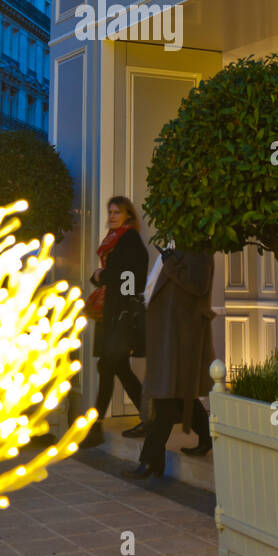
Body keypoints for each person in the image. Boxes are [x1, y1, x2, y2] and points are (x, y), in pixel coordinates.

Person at [129, 246, 215, 479]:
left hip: (182, 334)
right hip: (169, 333)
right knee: (177, 395)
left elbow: (198, 285)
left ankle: (150, 460)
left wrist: (171, 264)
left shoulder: (198, 249)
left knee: (167, 400)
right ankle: (205, 438)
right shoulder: (176, 248)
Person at [79, 196, 148, 449]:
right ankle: (149, 418)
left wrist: (104, 276)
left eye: (116, 212)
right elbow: (105, 275)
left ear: (128, 214)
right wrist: (101, 277)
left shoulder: (129, 239)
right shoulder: (114, 238)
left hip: (119, 314)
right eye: (109, 212)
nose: (111, 216)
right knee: (116, 368)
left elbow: (132, 277)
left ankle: (95, 427)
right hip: (110, 312)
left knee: (109, 367)